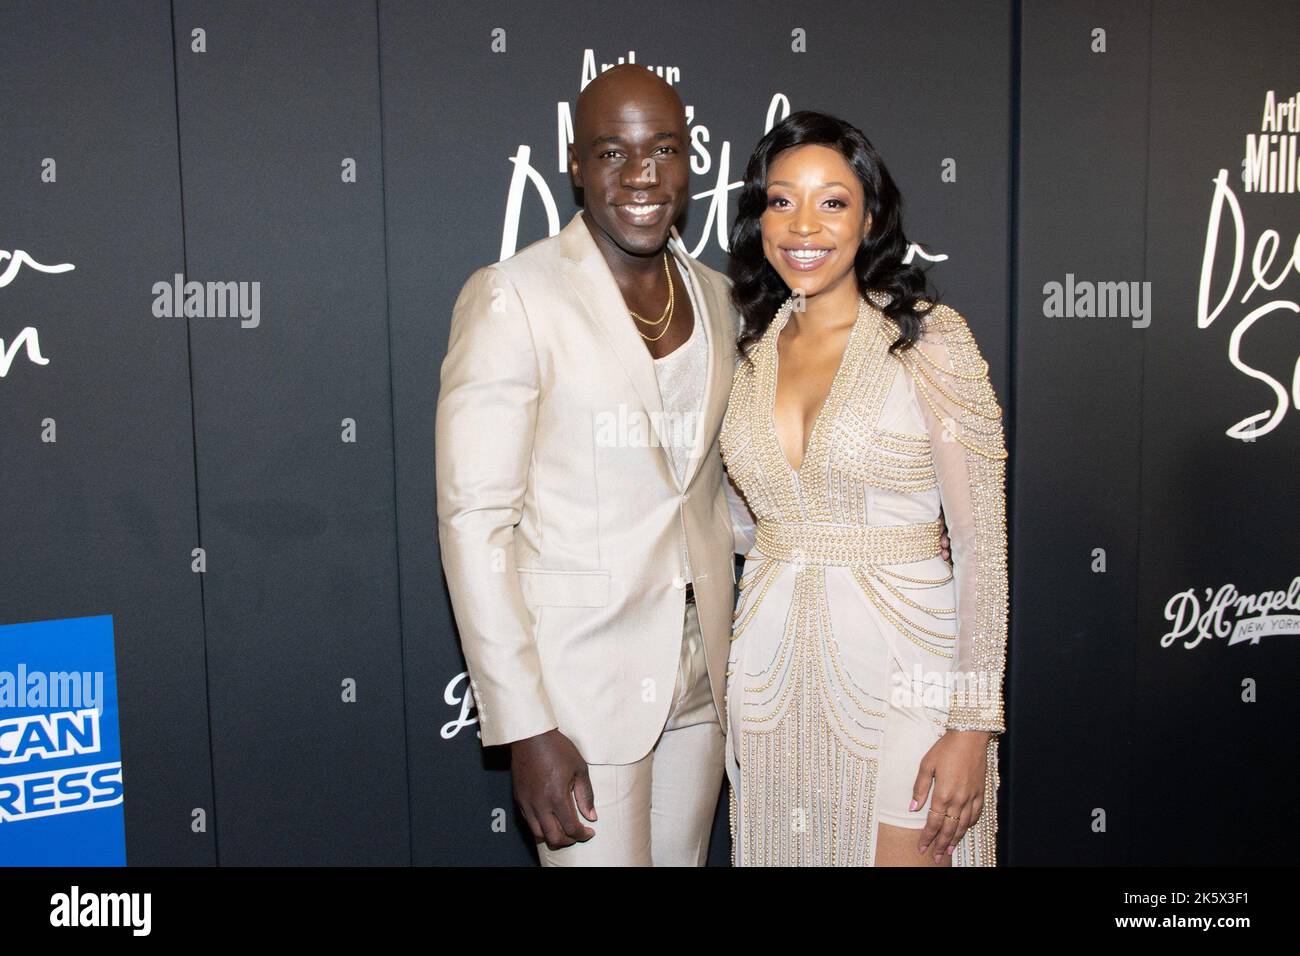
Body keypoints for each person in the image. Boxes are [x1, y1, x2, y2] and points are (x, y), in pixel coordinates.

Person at [435, 65, 738, 866]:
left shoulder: (718, 298)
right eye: (613, 152)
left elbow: (715, 491)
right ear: (575, 164)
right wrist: (525, 724)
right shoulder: (514, 296)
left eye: (663, 150)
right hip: (580, 694)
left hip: (704, 680)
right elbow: (476, 523)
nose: (641, 175)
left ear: (690, 162)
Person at [720, 110, 1007, 866]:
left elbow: (981, 549)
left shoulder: (928, 339)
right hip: (772, 677)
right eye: (782, 201)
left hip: (905, 675)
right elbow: (745, 526)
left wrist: (972, 722)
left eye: (832, 201)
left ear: (870, 216)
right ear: (759, 216)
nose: (803, 225)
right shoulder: (747, 350)